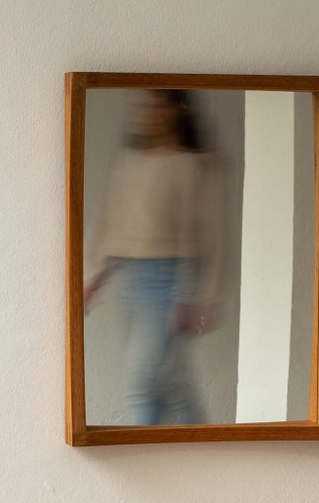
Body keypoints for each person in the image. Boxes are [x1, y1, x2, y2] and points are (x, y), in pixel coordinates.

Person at [84, 89, 223, 425]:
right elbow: (109, 222)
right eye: (139, 105)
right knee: (172, 385)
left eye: (152, 105)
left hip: (166, 282)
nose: (142, 112)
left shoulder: (186, 164)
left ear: (174, 111)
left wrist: (194, 296)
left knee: (142, 385)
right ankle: (200, 447)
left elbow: (199, 236)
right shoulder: (128, 162)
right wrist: (92, 276)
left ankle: (146, 450)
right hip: (129, 281)